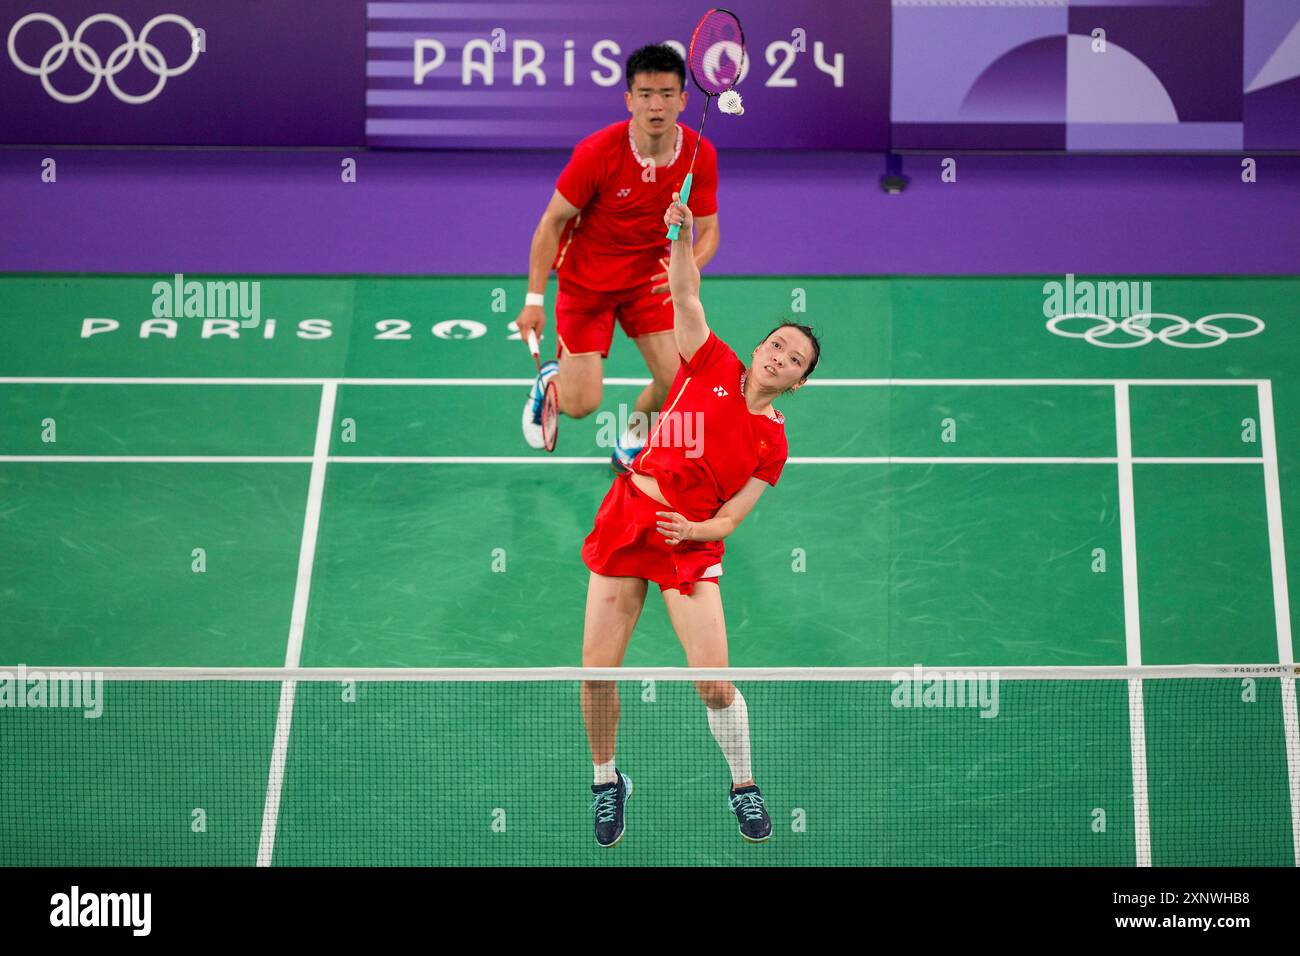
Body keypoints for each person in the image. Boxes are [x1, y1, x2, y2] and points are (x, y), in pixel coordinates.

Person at [579, 192, 821, 847]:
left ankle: (744, 784)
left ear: (798, 382)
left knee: (714, 684)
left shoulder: (774, 443)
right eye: (777, 344)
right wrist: (682, 237)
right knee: (597, 674)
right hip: (630, 518)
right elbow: (685, 297)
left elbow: (736, 515)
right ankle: (607, 781)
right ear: (760, 346)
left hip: (689, 545)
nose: (779, 356)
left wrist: (698, 533)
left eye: (793, 359)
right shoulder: (709, 360)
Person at [518, 44, 720, 470]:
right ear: (629, 99)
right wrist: (534, 301)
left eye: (667, 93)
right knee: (580, 405)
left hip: (648, 280)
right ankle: (551, 381)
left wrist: (687, 269)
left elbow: (710, 231)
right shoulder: (597, 153)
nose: (656, 105)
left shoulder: (699, 156)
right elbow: (551, 223)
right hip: (586, 284)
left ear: (684, 100)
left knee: (677, 381)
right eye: (645, 93)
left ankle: (632, 438)